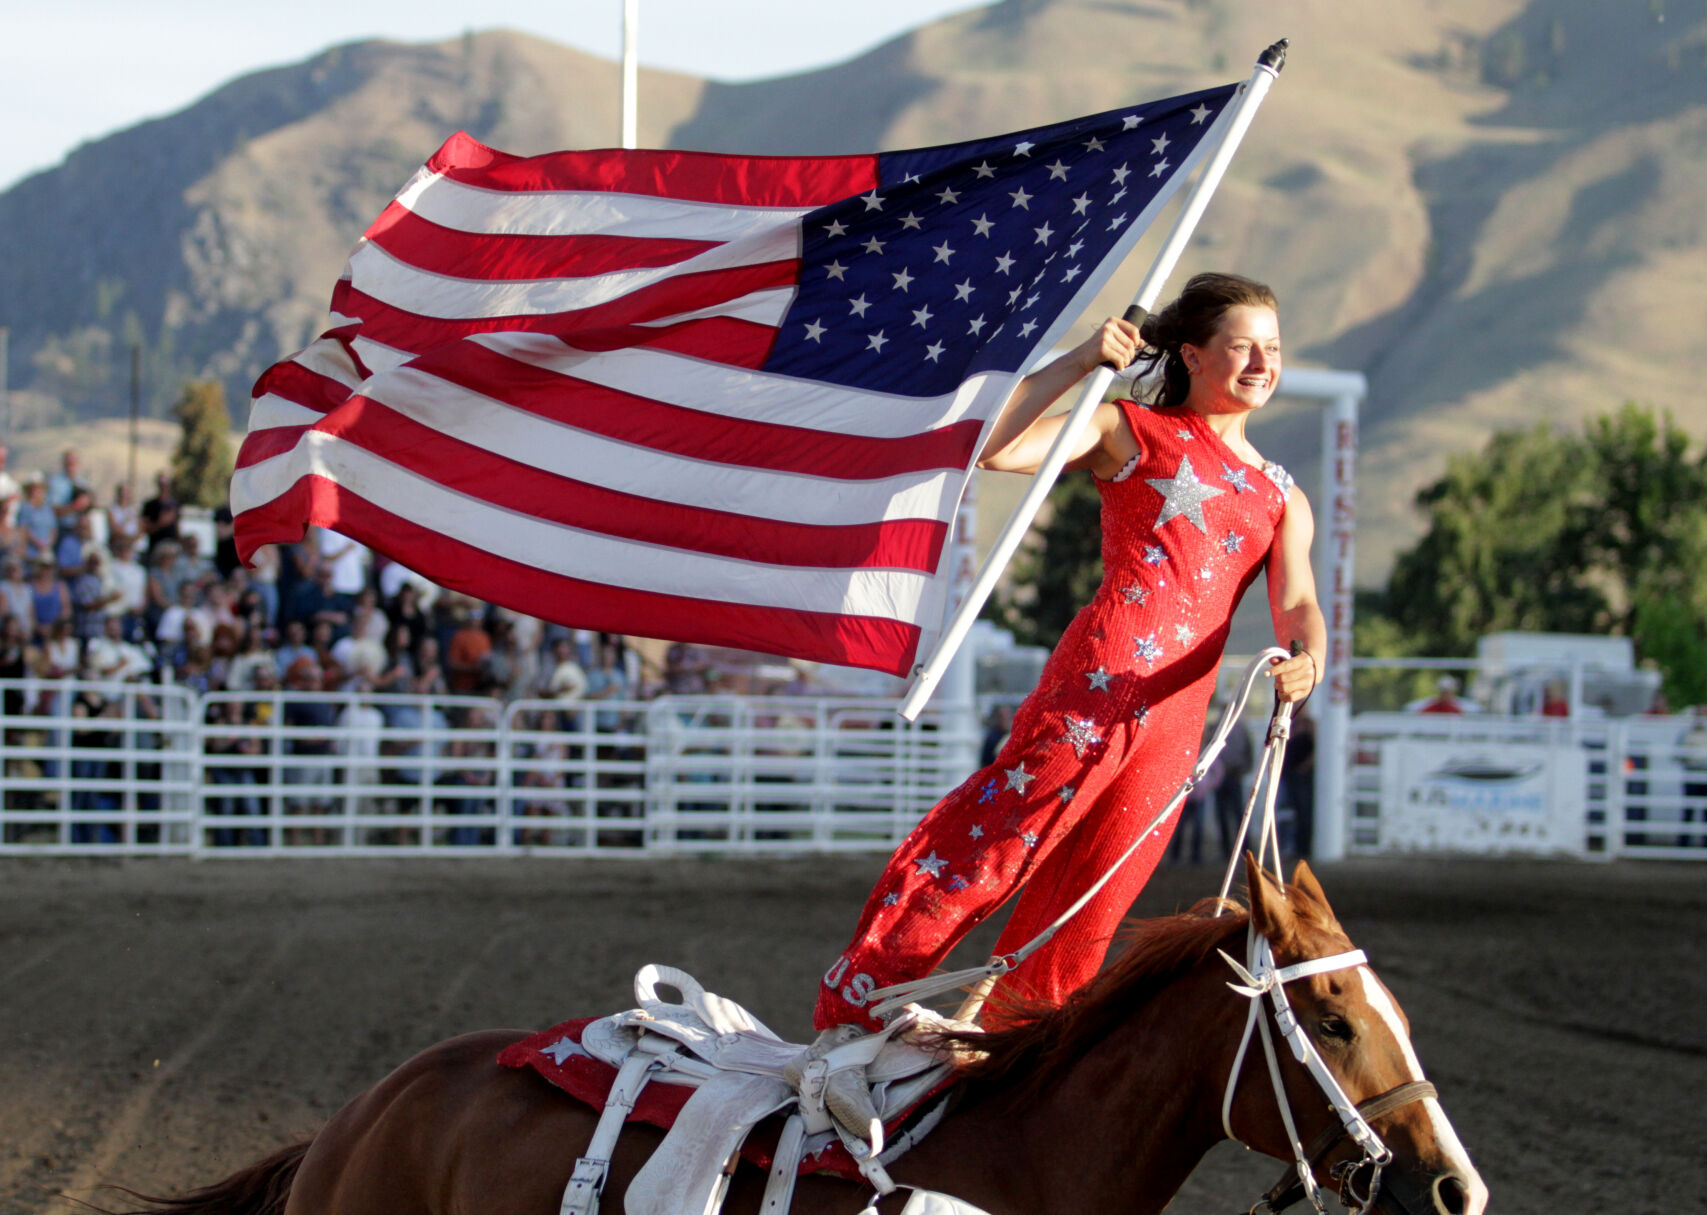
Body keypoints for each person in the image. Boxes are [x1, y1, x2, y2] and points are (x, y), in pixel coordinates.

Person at [815, 273, 1324, 1040]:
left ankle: (1018, 1049)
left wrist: (1308, 657)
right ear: (1189, 352)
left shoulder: (1280, 492)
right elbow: (996, 447)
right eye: (1241, 345)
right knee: (998, 845)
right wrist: (1083, 358)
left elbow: (1298, 602)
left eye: (1272, 348)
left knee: (1095, 897)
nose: (1261, 362)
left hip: (1177, 716)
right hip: (1094, 686)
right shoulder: (1129, 429)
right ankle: (855, 1008)